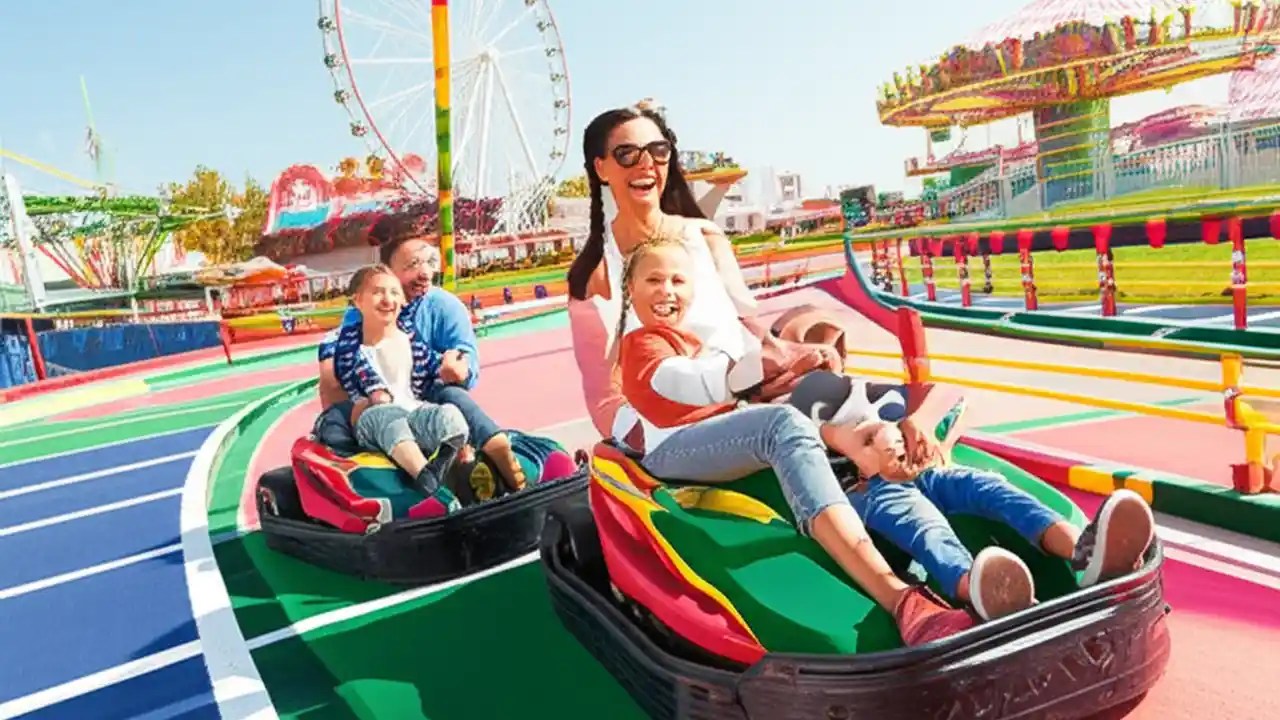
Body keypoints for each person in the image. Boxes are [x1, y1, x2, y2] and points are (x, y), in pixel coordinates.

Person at [603, 228, 991, 646]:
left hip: (859, 461)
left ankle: (980, 573)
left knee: (815, 434)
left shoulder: (705, 345)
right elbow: (685, 384)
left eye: (678, 281)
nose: (667, 290)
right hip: (674, 446)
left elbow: (948, 402)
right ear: (631, 289)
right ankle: (899, 598)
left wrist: (801, 374)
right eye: (654, 280)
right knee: (781, 426)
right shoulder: (644, 345)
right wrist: (755, 369)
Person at [318, 215, 527, 492]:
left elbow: (457, 361)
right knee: (348, 419)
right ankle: (409, 475)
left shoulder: (440, 310)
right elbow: (344, 359)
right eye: (413, 265)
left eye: (430, 262)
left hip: (425, 402)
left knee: (452, 400)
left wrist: (456, 368)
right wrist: (354, 394)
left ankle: (491, 449)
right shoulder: (358, 321)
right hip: (377, 408)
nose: (426, 272)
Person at [316, 264, 468, 508]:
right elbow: (361, 381)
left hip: (413, 412)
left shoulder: (412, 343)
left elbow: (439, 366)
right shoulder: (352, 348)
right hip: (374, 418)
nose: (388, 300)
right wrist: (369, 400)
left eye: (394, 293)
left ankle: (449, 465)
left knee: (449, 413)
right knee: (388, 414)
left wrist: (455, 364)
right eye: (378, 292)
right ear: (357, 301)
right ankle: (428, 481)